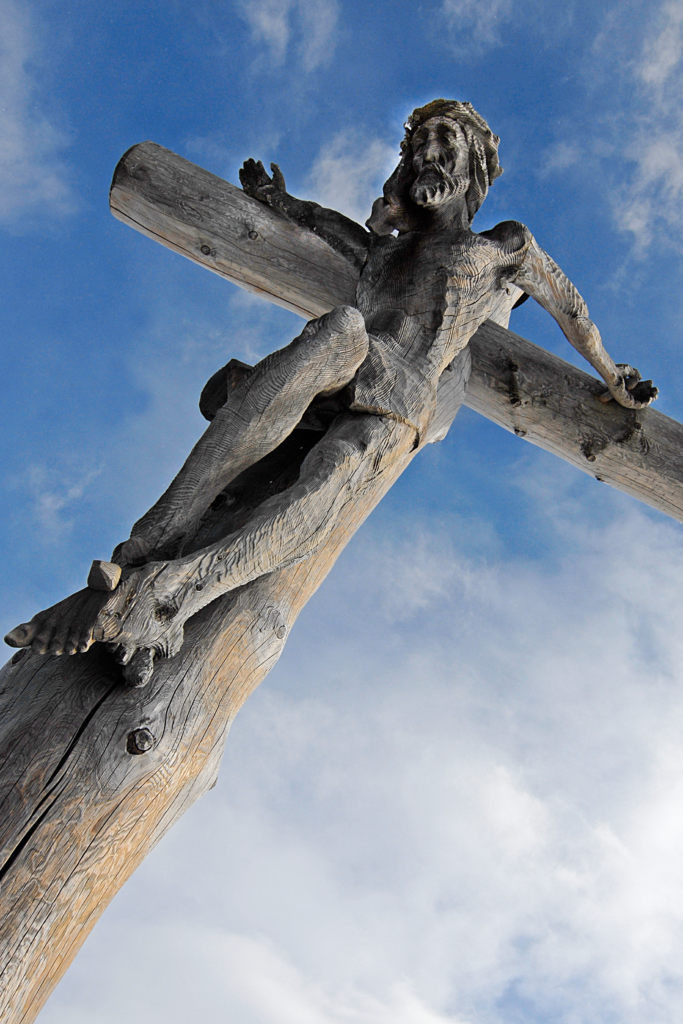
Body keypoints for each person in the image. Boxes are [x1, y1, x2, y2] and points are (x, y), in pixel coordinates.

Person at [5, 100, 658, 685]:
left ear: (474, 170)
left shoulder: (501, 245)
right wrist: (275, 199)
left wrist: (612, 374)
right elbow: (318, 220)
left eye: (443, 144)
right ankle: (145, 546)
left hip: (400, 392)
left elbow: (566, 303)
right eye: (416, 147)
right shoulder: (383, 250)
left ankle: (159, 600)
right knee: (340, 327)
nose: (425, 156)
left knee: (333, 478)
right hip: (349, 360)